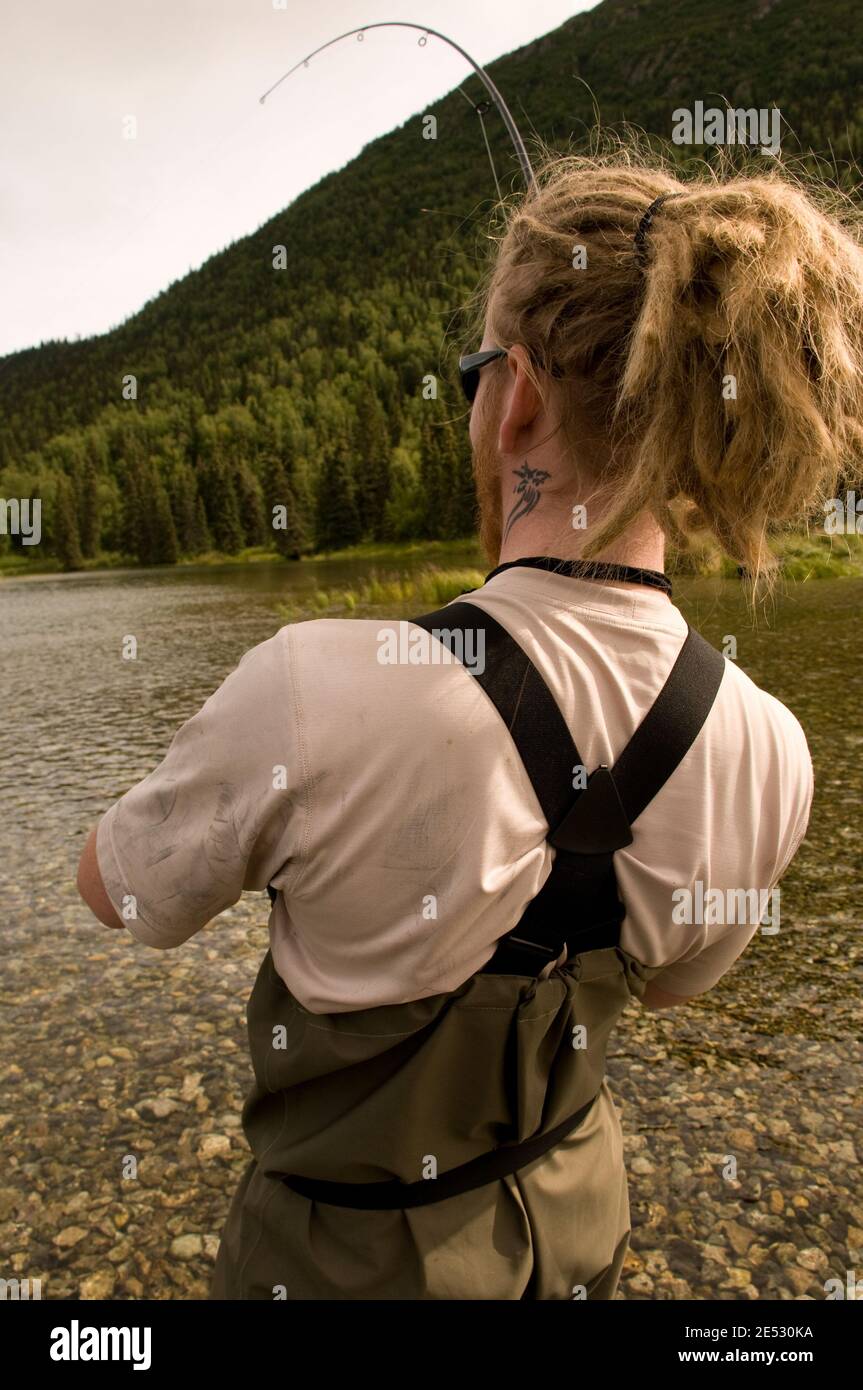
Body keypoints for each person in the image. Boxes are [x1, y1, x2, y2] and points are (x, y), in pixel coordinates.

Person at [76, 151, 863, 1300]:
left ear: (523, 396)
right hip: (576, 1233)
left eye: (474, 374)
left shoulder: (314, 684)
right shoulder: (769, 747)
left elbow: (122, 895)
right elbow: (668, 987)